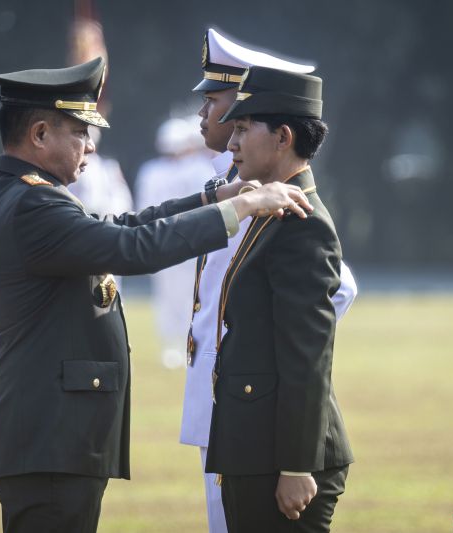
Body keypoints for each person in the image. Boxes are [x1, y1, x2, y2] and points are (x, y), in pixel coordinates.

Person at [0, 56, 316, 533]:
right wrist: (241, 206)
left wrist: (210, 199)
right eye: (79, 132)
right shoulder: (33, 202)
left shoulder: (22, 193)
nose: (89, 146)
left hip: (49, 436)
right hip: (49, 438)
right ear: (41, 134)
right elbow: (129, 248)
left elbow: (119, 227)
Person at [181, 28, 358, 533]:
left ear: (283, 137)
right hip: (249, 435)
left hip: (276, 447)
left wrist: (297, 463)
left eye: (244, 128)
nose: (232, 139)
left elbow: (308, 352)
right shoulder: (267, 206)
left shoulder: (299, 220)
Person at [135, 115, 214, 368]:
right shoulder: (198, 167)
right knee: (191, 295)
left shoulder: (150, 170)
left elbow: (141, 208)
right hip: (188, 240)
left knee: (170, 297)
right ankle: (183, 345)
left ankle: (174, 347)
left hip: (157, 238)